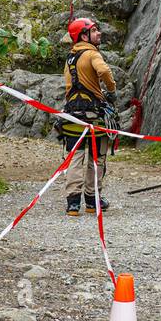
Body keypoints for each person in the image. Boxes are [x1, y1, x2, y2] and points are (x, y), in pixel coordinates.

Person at [60, 18, 117, 216]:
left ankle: (73, 203)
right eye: (94, 30)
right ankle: (92, 200)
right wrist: (111, 89)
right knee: (96, 157)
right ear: (84, 36)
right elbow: (103, 71)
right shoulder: (93, 54)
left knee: (75, 156)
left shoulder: (70, 58)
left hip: (72, 116)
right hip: (94, 115)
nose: (99, 33)